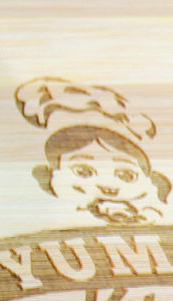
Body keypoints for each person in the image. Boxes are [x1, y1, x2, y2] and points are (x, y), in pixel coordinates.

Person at [17, 78, 167, 225]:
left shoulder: (151, 212)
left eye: (126, 175)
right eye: (83, 172)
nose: (106, 185)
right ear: (50, 175)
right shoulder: (56, 215)